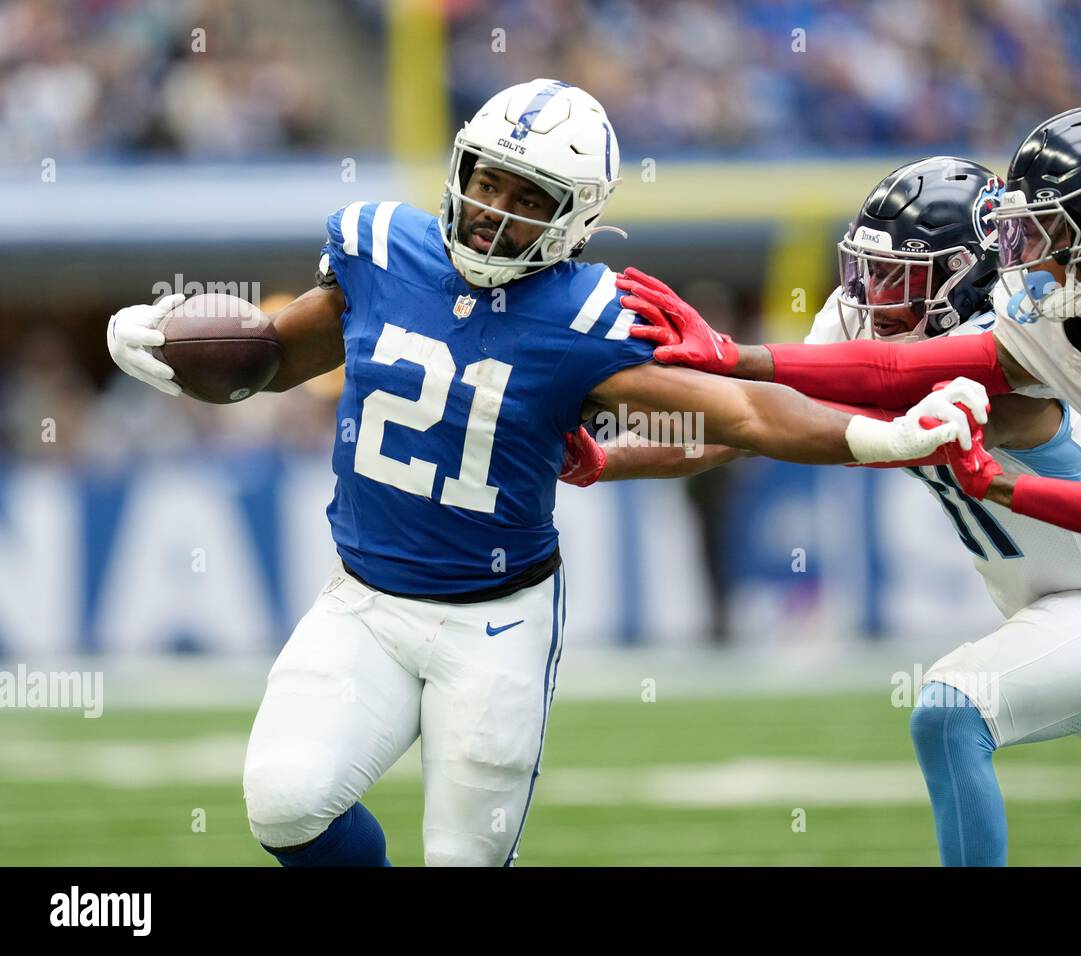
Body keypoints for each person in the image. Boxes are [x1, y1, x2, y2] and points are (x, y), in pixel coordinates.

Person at [105, 79, 971, 867]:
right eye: (486, 181)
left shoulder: (585, 314)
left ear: (576, 216)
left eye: (528, 199)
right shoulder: (383, 250)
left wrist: (877, 436)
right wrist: (165, 347)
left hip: (495, 627)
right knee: (286, 803)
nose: (493, 211)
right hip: (363, 603)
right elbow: (272, 363)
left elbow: (736, 413)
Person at [617, 110, 1081, 867]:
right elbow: (747, 427)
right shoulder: (1010, 315)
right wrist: (608, 454)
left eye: (899, 276)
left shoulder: (1045, 334)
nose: (870, 294)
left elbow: (814, 413)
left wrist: (731, 367)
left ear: (966, 277)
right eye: (867, 271)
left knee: (950, 712)